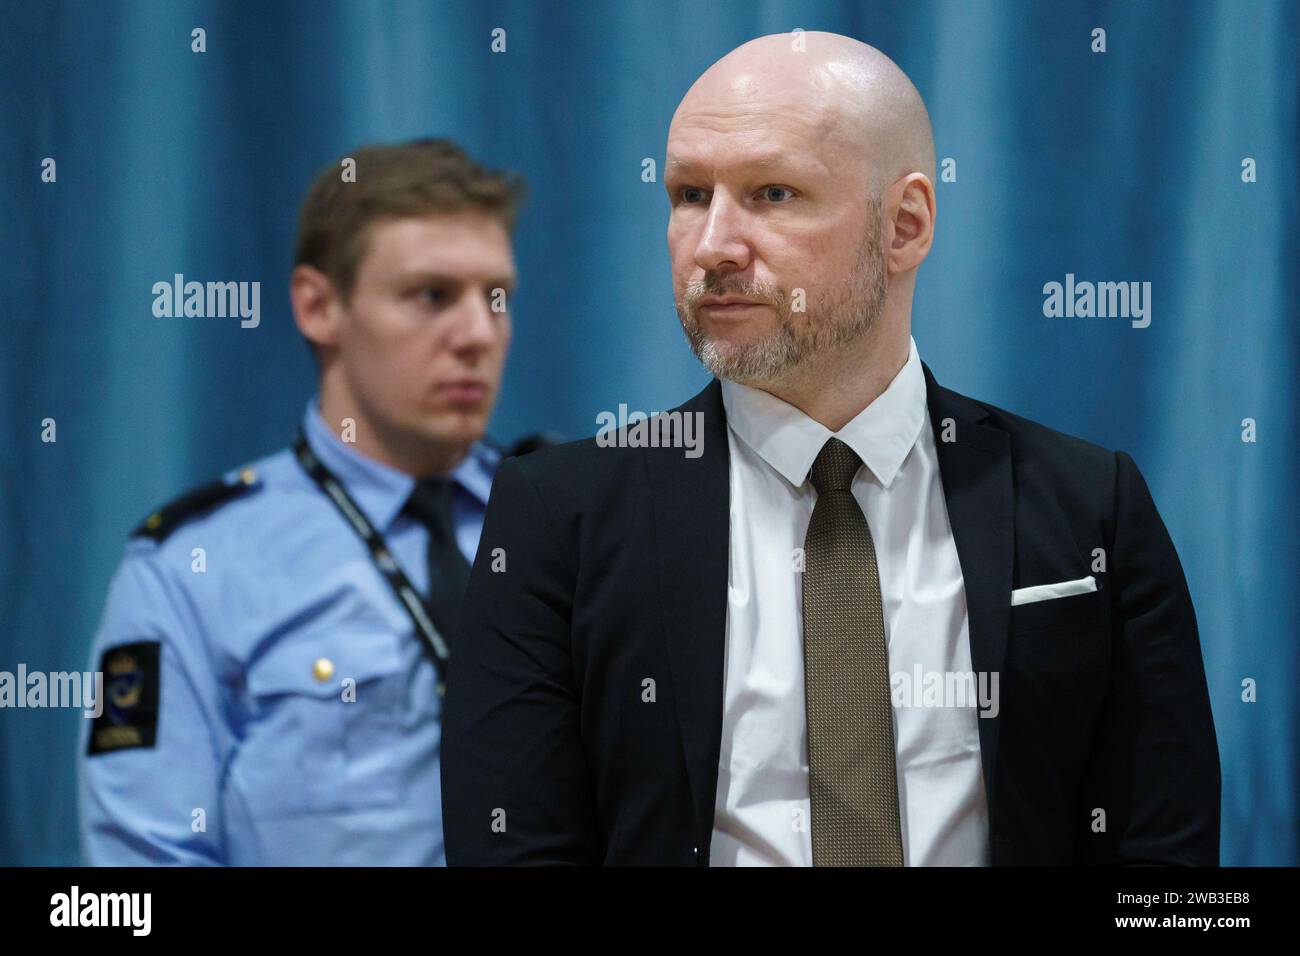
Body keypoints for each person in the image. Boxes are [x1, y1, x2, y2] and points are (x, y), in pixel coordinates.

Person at [440, 34, 1221, 866]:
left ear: (906, 225)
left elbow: (1167, 870)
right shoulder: (555, 519)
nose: (713, 246)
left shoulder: (1090, 502)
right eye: (690, 194)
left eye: (773, 193)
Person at [80, 138, 540, 865]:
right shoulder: (188, 571)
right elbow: (145, 866)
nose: (479, 335)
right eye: (431, 296)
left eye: (497, 299)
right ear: (319, 307)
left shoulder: (573, 523)